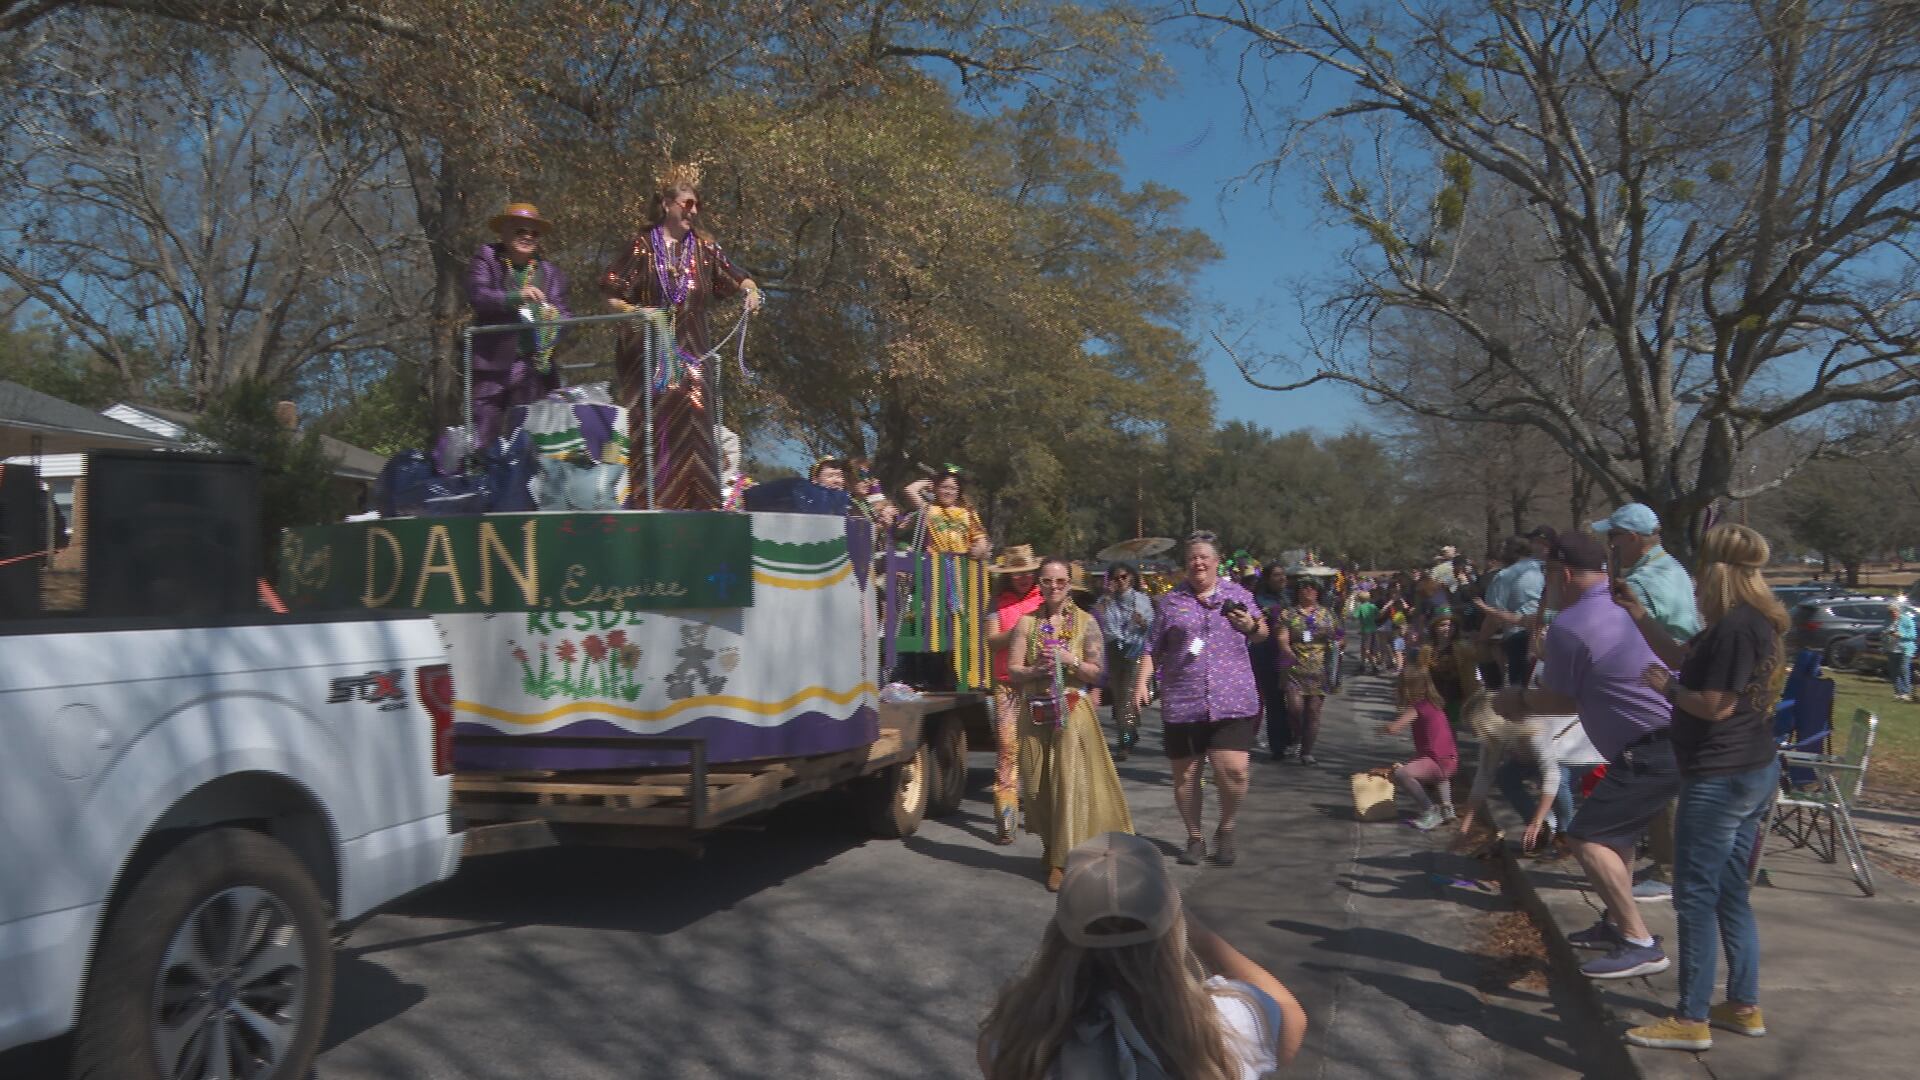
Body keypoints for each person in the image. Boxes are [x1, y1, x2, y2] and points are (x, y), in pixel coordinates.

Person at [1616, 524, 1788, 1052]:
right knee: (1731, 893)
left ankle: (1690, 1018)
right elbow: (1679, 657)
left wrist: (1670, 690)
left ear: (1714, 570)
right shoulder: (1735, 626)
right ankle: (1742, 1005)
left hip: (1723, 778)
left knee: (1694, 898)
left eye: (1699, 567)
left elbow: (1715, 704)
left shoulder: (1738, 628)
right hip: (1747, 773)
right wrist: (1638, 616)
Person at [1492, 530, 1678, 981]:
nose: (1546, 584)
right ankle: (1616, 924)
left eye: (1549, 573)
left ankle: (1638, 942)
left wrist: (1517, 701)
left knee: (1585, 838)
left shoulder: (1571, 626)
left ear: (1566, 574)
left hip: (1653, 746)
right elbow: (1587, 692)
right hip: (1668, 738)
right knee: (1617, 837)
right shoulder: (1620, 609)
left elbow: (1562, 699)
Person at [977, 832, 1307, 1080]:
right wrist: (1201, 935)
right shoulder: (1222, 1025)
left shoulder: (1017, 1039)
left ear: (1060, 935)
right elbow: (1292, 1018)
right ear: (1173, 927)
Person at [601, 163, 763, 510]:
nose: (693, 211)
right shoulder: (642, 245)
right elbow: (612, 293)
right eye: (687, 203)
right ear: (667, 204)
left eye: (697, 205)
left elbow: (737, 276)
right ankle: (650, 500)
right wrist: (635, 312)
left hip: (693, 344)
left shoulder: (705, 248)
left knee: (695, 414)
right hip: (649, 348)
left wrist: (751, 290)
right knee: (652, 421)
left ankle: (698, 503)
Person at [1134, 532, 1267, 867]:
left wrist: (1250, 625)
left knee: (1234, 770)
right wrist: (1141, 682)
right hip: (1184, 700)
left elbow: (1263, 632)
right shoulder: (1170, 602)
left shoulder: (1238, 595)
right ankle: (1194, 836)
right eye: (1192, 557)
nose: (1198, 563)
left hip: (1232, 697)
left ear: (1217, 560)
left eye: (1204, 556)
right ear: (1186, 564)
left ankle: (1227, 827)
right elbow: (1152, 648)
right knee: (1186, 776)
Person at [1006, 557, 1136, 891]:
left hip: (1071, 710)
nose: (1054, 587)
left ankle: (1062, 860)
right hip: (1035, 711)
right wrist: (1036, 669)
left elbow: (1096, 672)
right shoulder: (1025, 623)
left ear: (1070, 584)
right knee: (1036, 787)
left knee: (1067, 783)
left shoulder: (1086, 622)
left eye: (1060, 581)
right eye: (1047, 581)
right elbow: (1013, 671)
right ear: (1040, 582)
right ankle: (1050, 845)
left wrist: (1070, 660)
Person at [1595, 501, 1702, 903]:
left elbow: (1624, 634)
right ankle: (1666, 859)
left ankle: (1668, 868)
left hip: (1660, 679)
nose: (1611, 546)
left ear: (1634, 538)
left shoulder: (1639, 584)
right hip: (1680, 673)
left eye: (1614, 538)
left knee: (1659, 771)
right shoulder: (1672, 567)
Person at [466, 202, 572, 443]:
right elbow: (478, 296)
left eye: (534, 233)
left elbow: (565, 314)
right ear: (503, 231)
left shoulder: (551, 272)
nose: (527, 237)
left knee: (530, 437)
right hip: (493, 365)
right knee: (483, 434)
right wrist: (514, 297)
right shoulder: (487, 258)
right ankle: (482, 476)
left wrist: (554, 321)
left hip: (534, 367)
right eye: (519, 231)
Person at [985, 545, 1045, 844]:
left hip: (1040, 685)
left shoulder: (1045, 599)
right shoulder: (997, 603)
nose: (1022, 578)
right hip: (1007, 686)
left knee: (1040, 750)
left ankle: (1041, 814)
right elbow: (992, 642)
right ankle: (1006, 821)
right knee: (1008, 749)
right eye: (1015, 573)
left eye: (1027, 572)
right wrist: (1020, 630)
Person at [1272, 572, 1339, 766]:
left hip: (1320, 668)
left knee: (1313, 711)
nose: (1308, 590)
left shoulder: (1328, 614)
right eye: (1304, 587)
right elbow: (1282, 637)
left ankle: (1307, 751)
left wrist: (1339, 643)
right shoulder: (1288, 614)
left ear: (1318, 592)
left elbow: (1339, 634)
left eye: (1312, 587)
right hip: (1294, 667)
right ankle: (1297, 736)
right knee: (1295, 709)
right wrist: (1285, 649)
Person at [1382, 665, 1459, 830]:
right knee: (1441, 777)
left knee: (1401, 773)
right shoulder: (1435, 704)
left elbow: (1394, 728)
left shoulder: (1417, 707)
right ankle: (1447, 808)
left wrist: (1384, 728)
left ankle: (1430, 810)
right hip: (1450, 759)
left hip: (1437, 761)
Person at [1094, 563, 1155, 761]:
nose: (1120, 581)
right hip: (1113, 652)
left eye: (1124, 577)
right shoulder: (1106, 600)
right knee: (1119, 697)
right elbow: (1095, 620)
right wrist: (1107, 597)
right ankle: (1130, 731)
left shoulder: (1141, 600)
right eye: (1116, 578)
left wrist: (1142, 623)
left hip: (1134, 651)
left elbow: (1153, 628)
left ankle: (1125, 740)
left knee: (1128, 698)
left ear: (1131, 578)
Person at [1477, 532, 1549, 688]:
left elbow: (1494, 616)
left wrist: (1481, 640)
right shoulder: (1544, 568)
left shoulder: (1504, 576)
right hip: (1549, 633)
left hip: (1519, 637)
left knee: (1520, 690)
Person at [1250, 564, 1293, 762]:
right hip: (1265, 653)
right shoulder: (1258, 600)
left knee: (1291, 701)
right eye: (1277, 575)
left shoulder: (1290, 597)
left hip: (1292, 654)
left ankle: (1290, 739)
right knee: (1269, 699)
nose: (1281, 578)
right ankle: (1276, 744)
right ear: (1267, 579)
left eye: (1283, 574)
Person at [902, 471, 991, 559]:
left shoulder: (968, 512)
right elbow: (910, 489)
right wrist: (930, 480)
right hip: (935, 562)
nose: (948, 492)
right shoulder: (929, 508)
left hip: (961, 563)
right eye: (944, 487)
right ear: (935, 488)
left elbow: (980, 537)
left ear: (959, 492)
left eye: (953, 488)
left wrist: (981, 549)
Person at [1886, 603, 1915, 702]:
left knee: (1903, 670)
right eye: (1890, 612)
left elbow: (1913, 635)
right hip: (1891, 649)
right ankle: (1898, 692)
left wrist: (1901, 635)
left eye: (1894, 612)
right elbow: (1885, 631)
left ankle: (1906, 692)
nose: (1892, 614)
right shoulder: (1888, 620)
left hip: (1904, 650)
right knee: (1894, 672)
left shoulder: (1907, 620)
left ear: (1898, 611)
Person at [1350, 589, 1381, 675]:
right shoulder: (1372, 606)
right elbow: (1378, 615)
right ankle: (1362, 665)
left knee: (1366, 649)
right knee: (1365, 649)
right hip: (1373, 629)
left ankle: (1374, 666)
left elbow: (1354, 617)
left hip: (1365, 630)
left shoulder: (1360, 607)